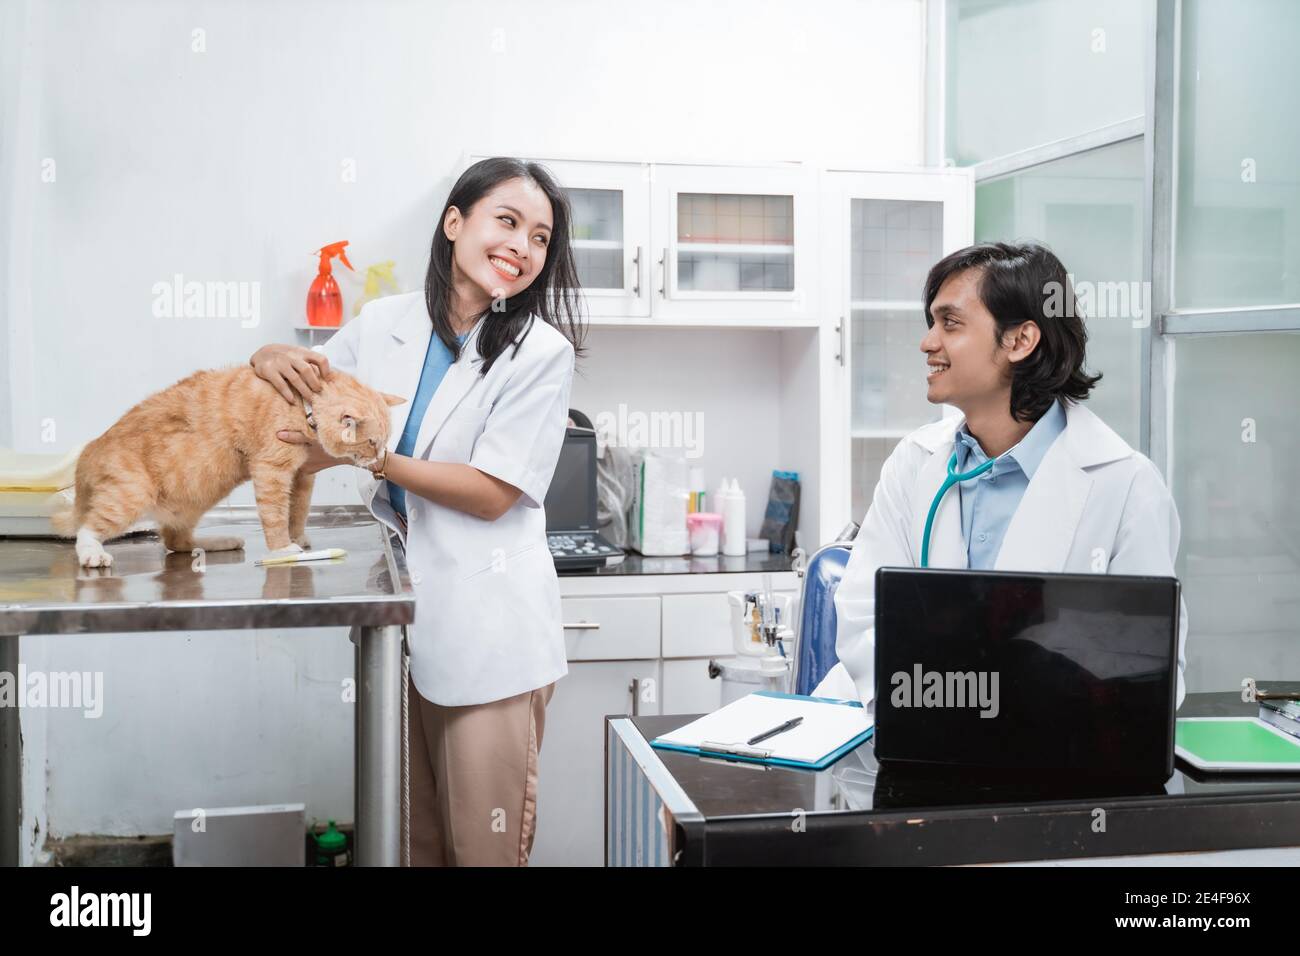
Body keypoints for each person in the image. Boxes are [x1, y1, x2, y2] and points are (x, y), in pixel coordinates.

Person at [250, 157, 585, 865]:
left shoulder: (540, 354)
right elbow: (306, 410)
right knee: (421, 845)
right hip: (412, 627)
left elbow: (493, 493)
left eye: (540, 236)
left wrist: (374, 458)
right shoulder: (385, 323)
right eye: (507, 221)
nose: (523, 245)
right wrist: (269, 355)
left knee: (483, 849)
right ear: (454, 222)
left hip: (493, 636)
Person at [815, 241, 1187, 711]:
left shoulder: (1126, 484)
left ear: (1020, 340)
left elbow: (1147, 663)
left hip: (1054, 754)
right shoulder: (914, 463)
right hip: (916, 736)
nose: (928, 342)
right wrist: (936, 708)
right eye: (932, 323)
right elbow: (863, 615)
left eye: (950, 323)